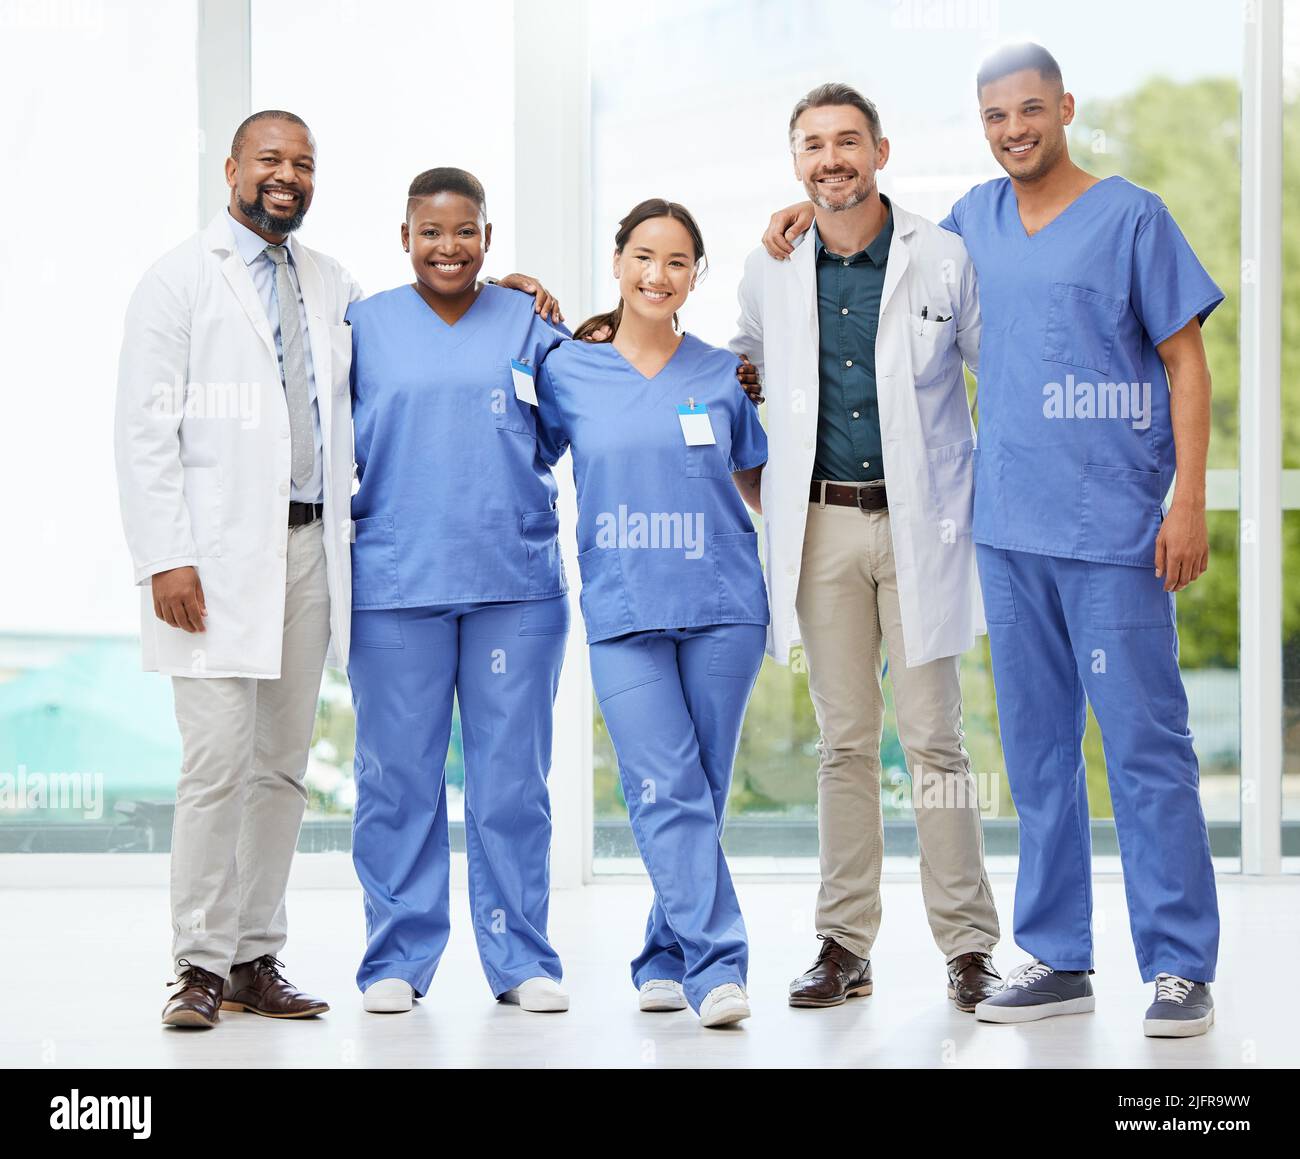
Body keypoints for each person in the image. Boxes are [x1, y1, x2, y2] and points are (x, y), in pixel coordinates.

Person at [761, 44, 1222, 1037]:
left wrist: (1187, 501)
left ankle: (1180, 965)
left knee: (1146, 747)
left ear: (1063, 107)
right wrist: (813, 214)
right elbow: (890, 236)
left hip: (1116, 531)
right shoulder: (971, 223)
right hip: (1004, 532)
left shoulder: (1131, 216)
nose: (1014, 129)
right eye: (995, 117)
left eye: (1028, 110)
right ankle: (1056, 955)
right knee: (1038, 751)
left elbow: (1186, 362)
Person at [728, 83, 1001, 1013]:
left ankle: (968, 947)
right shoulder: (771, 265)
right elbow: (742, 378)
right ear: (795, 160)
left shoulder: (944, 256)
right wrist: (764, 499)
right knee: (844, 742)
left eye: (849, 141)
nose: (831, 158)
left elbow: (992, 374)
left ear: (881, 151)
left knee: (937, 740)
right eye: (813, 145)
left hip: (924, 524)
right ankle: (844, 942)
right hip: (821, 527)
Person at [115, 110, 357, 1028]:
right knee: (217, 764)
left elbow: (410, 341)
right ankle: (197, 965)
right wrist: (165, 557)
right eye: (270, 159)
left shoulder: (330, 282)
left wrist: (520, 292)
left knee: (282, 768)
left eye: (302, 161)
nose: (286, 175)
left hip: (308, 551)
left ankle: (257, 954)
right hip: (211, 561)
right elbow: (144, 432)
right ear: (231, 169)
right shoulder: (179, 280)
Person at [534, 199, 769, 1028]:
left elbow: (758, 482)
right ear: (617, 262)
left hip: (724, 603)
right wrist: (515, 290)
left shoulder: (721, 374)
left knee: (699, 789)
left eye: (676, 262)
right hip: (624, 606)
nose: (657, 275)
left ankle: (664, 953)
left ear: (695, 275)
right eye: (643, 256)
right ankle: (717, 964)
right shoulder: (567, 370)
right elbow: (509, 402)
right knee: (662, 785)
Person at [345, 168, 572, 1015]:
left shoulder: (530, 321)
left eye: (465, 231)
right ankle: (397, 957)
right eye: (431, 232)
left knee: (512, 782)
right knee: (398, 780)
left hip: (512, 581)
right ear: (404, 237)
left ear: (489, 235)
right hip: (396, 580)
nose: (449, 247)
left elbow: (580, 415)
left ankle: (523, 960)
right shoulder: (362, 326)